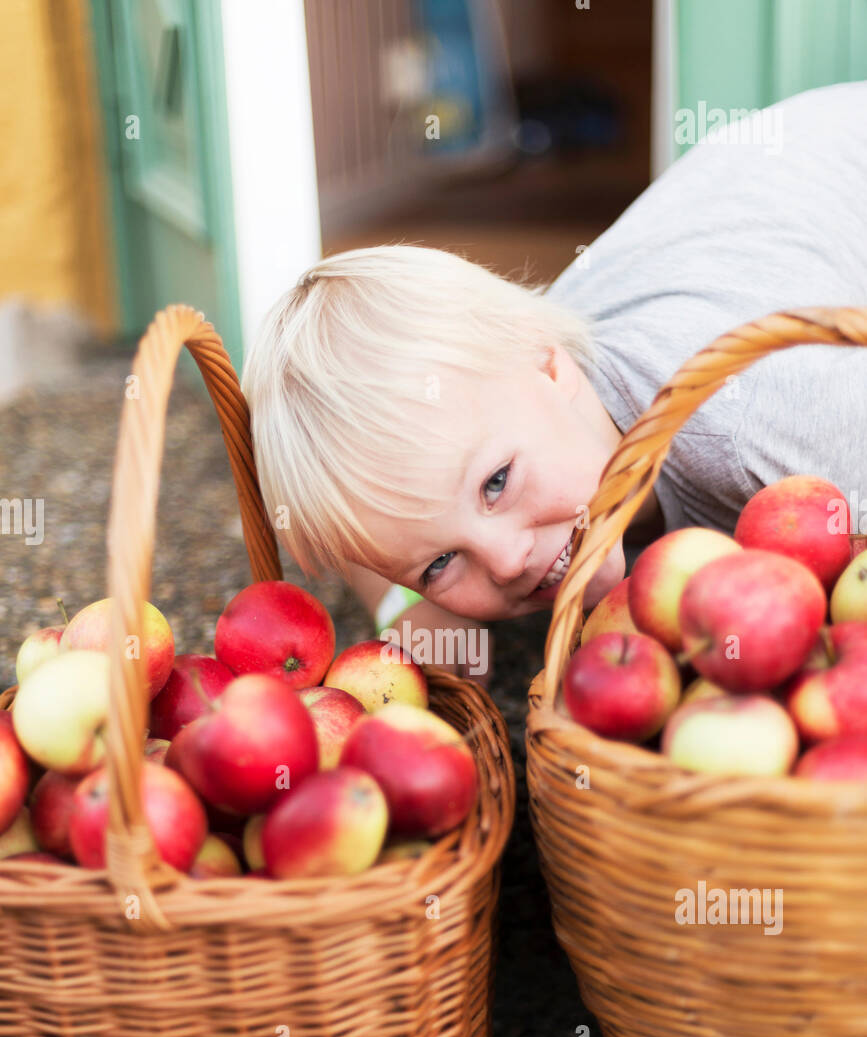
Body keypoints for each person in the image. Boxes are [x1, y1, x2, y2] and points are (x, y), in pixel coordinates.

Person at [242, 81, 867, 685]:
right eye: (439, 565)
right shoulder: (509, 391)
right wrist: (401, 605)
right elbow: (373, 529)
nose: (507, 561)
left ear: (550, 366)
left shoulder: (759, 430)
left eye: (496, 482)